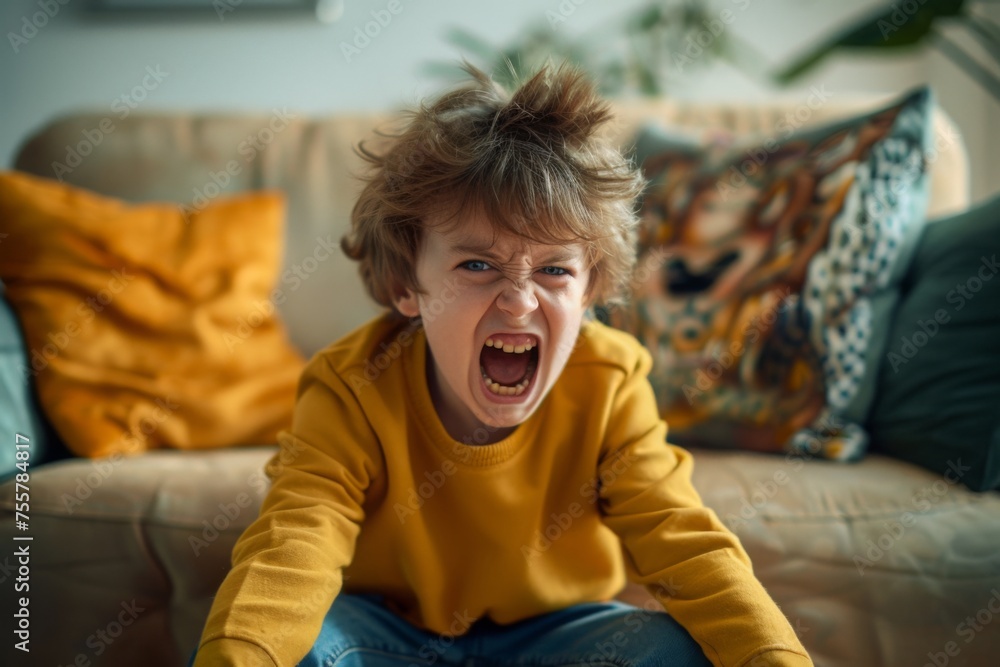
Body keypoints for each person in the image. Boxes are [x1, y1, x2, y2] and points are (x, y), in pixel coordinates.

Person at [192, 63, 812, 667]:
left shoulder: (610, 381)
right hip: (386, 635)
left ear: (590, 290)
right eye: (477, 265)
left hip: (557, 637)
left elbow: (683, 541)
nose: (519, 301)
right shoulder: (351, 387)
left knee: (678, 651)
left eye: (554, 270)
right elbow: (292, 547)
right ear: (409, 284)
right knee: (303, 647)